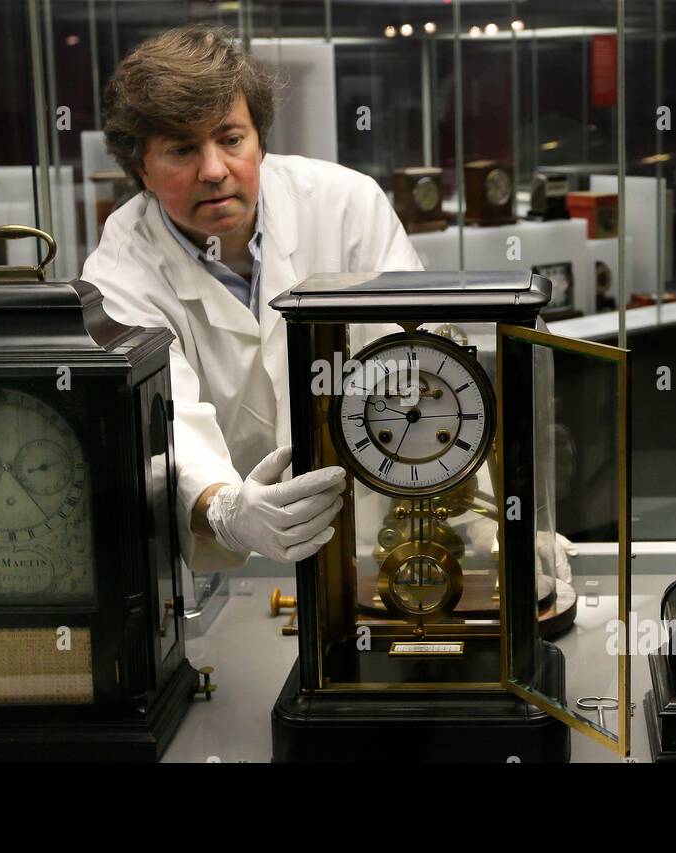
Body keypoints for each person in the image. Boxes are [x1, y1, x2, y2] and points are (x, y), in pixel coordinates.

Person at [82, 26, 424, 571]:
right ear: (140, 169)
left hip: (385, 538)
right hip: (233, 573)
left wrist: (481, 527)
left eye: (230, 138)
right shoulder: (121, 271)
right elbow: (162, 420)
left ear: (260, 139)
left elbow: (421, 362)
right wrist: (226, 509)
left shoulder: (345, 205)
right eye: (182, 149)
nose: (214, 170)